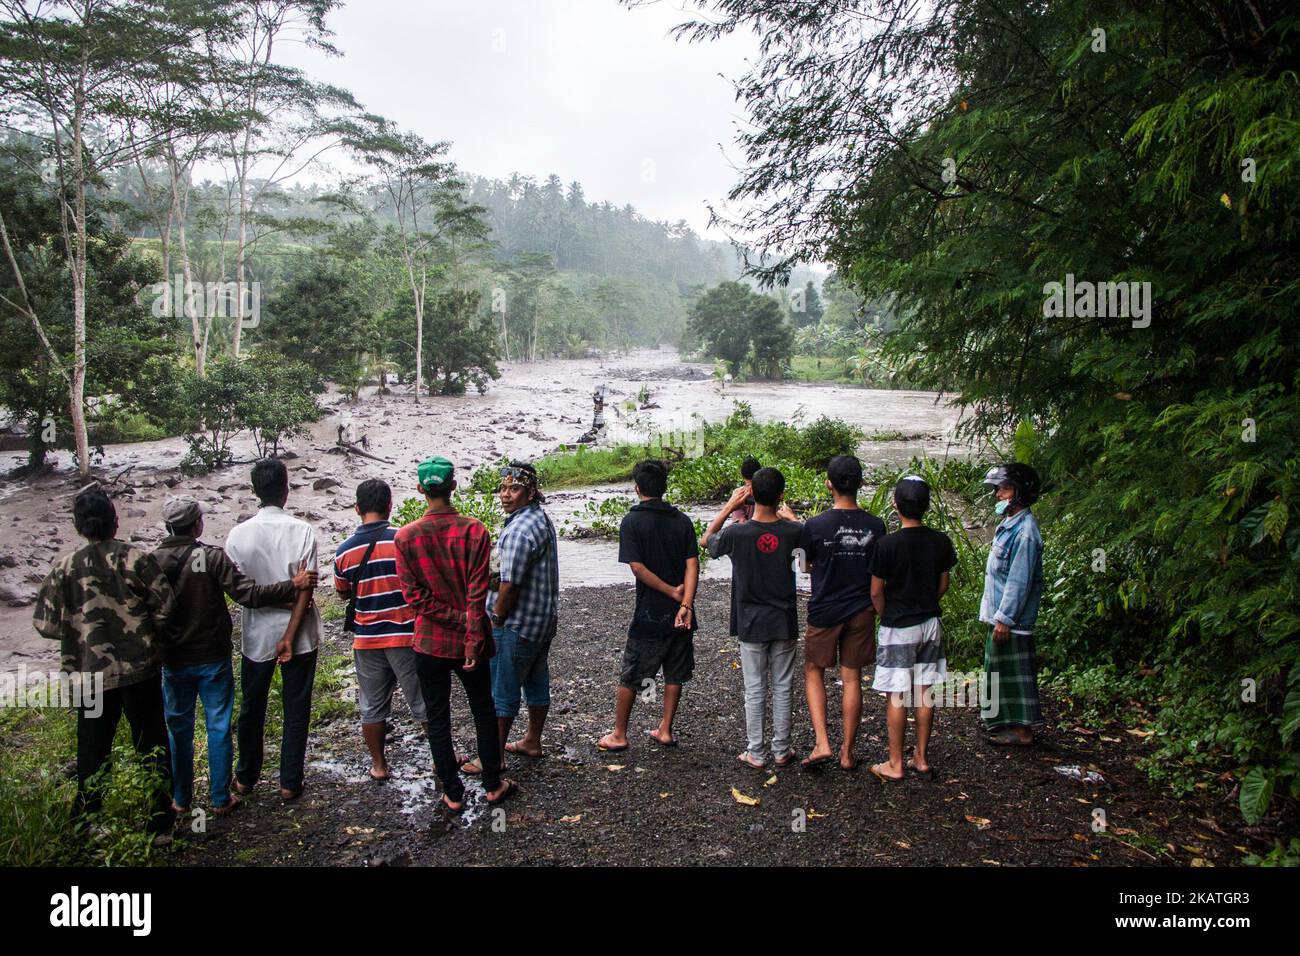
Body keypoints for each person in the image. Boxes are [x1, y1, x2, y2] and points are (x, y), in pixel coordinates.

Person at [152, 495, 315, 816]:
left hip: (172, 659)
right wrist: (291, 586)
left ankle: (181, 799)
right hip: (211, 656)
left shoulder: (151, 562)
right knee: (218, 724)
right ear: (197, 523)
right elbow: (248, 594)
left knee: (179, 728)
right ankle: (219, 797)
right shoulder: (211, 558)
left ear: (168, 525)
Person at [32, 488, 177, 841]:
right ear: (115, 520)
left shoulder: (64, 568)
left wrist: (79, 630)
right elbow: (165, 607)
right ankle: (160, 823)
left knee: (93, 750)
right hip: (138, 670)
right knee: (151, 745)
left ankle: (84, 823)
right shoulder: (135, 559)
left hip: (89, 677)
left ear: (79, 526)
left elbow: (46, 626)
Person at [393, 456, 515, 810]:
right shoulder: (475, 530)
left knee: (437, 715)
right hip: (471, 642)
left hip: (430, 642)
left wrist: (453, 618)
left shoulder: (405, 537)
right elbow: (478, 593)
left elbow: (415, 598)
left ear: (420, 489)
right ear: (454, 487)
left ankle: (452, 791)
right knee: (482, 709)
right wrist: (469, 627)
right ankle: (492, 783)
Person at [225, 458, 323, 802]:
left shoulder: (237, 535)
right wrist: (290, 636)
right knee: (296, 706)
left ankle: (246, 776)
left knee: (253, 706)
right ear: (286, 488)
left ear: (255, 491)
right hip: (301, 636)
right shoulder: (302, 531)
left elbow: (241, 591)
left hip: (257, 637)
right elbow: (305, 592)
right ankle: (289, 781)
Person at [701, 466, 803, 769]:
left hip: (750, 619)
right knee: (783, 685)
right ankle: (782, 750)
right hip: (783, 618)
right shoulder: (794, 531)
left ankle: (756, 752)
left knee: (755, 688)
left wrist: (730, 506)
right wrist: (793, 518)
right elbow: (808, 561)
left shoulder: (737, 533)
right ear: (781, 495)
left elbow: (707, 541)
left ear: (751, 495)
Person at [462, 461, 559, 774]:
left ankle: (494, 757)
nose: (505, 495)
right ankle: (532, 740)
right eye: (503, 488)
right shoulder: (539, 519)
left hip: (516, 622)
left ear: (530, 492)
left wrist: (496, 618)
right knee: (535, 680)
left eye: (514, 489)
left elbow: (510, 583)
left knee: (501, 690)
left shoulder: (517, 531)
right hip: (541, 619)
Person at [597, 460, 699, 752]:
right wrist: (686, 603)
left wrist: (670, 591)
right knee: (675, 671)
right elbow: (693, 564)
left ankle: (619, 733)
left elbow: (638, 569)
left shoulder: (632, 521)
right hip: (682, 613)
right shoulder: (682, 521)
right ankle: (665, 729)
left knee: (633, 673)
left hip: (649, 612)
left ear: (637, 488)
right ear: (664, 489)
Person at [333, 478, 427, 781]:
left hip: (367, 638)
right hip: (406, 635)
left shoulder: (344, 551)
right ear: (390, 506)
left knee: (372, 706)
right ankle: (443, 757)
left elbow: (343, 592)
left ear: (357, 508)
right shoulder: (404, 539)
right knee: (423, 700)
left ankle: (378, 764)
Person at [797, 455, 885, 771]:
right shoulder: (876, 525)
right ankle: (847, 753)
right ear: (860, 484)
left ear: (829, 484)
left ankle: (822, 743)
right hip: (862, 608)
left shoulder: (815, 525)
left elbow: (805, 565)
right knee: (852, 677)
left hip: (824, 608)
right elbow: (880, 569)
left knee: (813, 669)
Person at [868, 476, 957, 783]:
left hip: (898, 625)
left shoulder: (886, 545)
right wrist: (927, 602)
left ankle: (895, 763)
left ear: (896, 505)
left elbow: (876, 591)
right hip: (930, 623)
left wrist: (886, 615)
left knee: (896, 693)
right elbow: (943, 583)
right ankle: (920, 756)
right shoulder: (940, 541)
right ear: (927, 507)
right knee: (924, 692)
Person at [978, 463, 1045, 746]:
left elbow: (1019, 581)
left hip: (1012, 620)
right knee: (998, 671)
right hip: (1000, 615)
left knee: (1014, 674)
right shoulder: (1010, 525)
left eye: (1003, 489)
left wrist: (1005, 618)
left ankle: (1022, 731)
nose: (998, 495)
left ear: (1020, 492)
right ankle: (1005, 724)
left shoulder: (1026, 532)